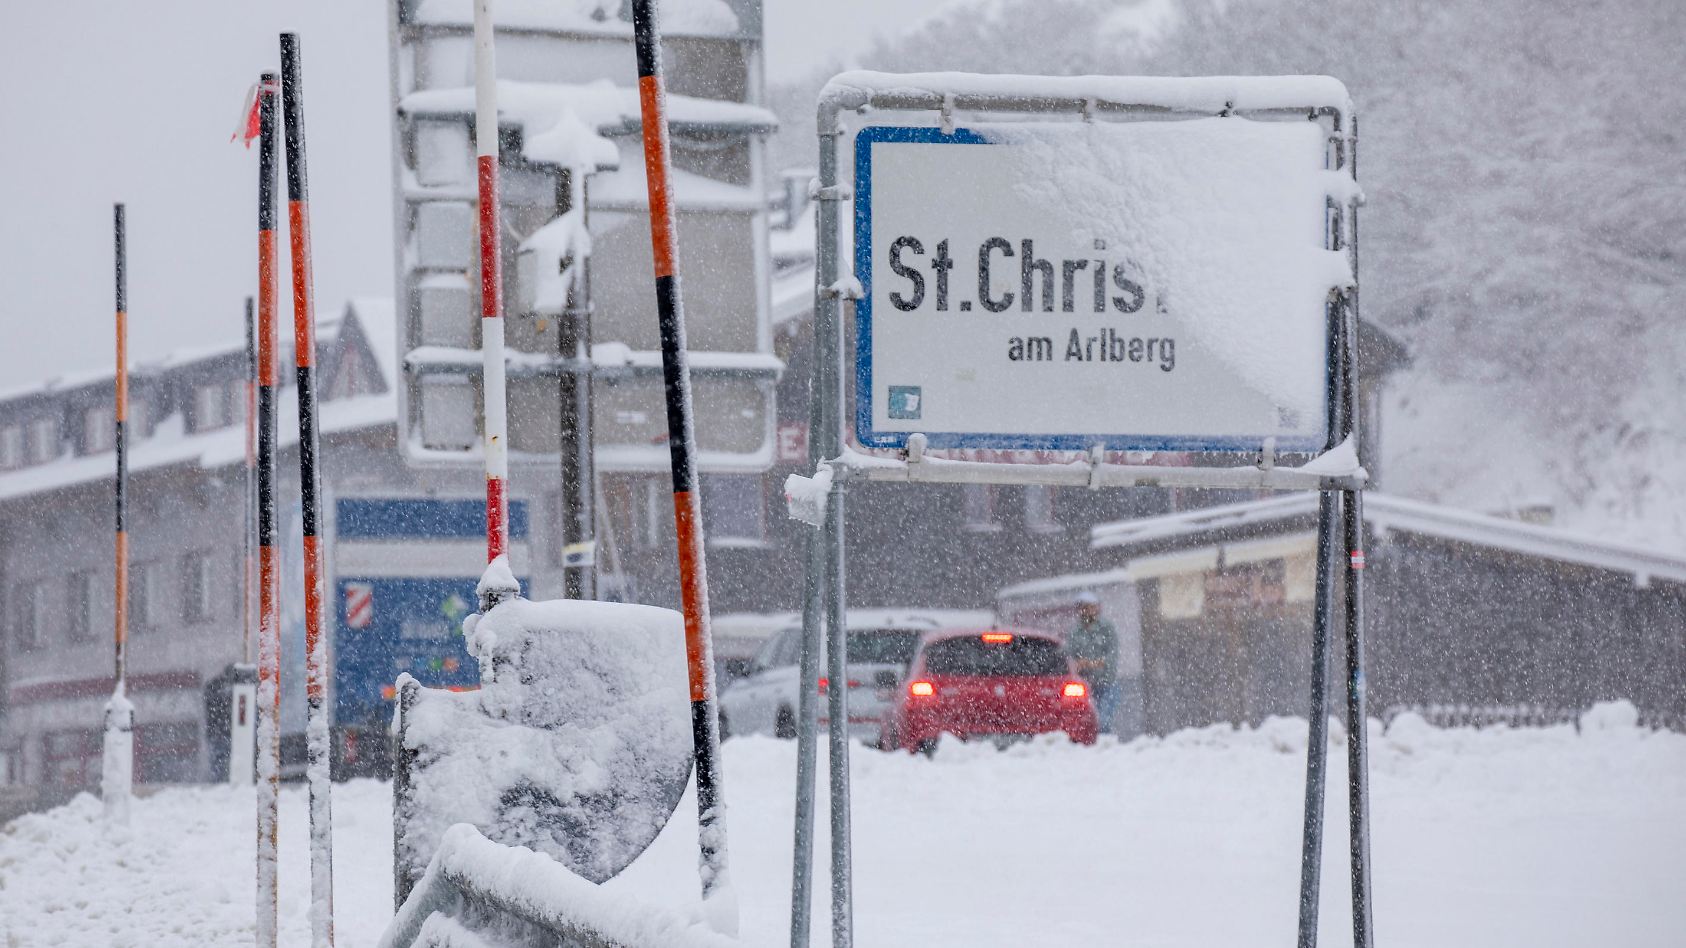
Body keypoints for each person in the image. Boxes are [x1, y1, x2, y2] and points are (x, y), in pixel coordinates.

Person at [1066, 591, 1121, 737]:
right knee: (1086, 721)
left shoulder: (1106, 628)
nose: (1085, 611)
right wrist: (1077, 664)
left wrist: (1096, 663)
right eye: (1082, 608)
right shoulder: (1075, 631)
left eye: (1089, 607)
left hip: (1107, 682)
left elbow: (1112, 653)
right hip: (1086, 685)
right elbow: (1068, 653)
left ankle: (1105, 745)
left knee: (1103, 721)